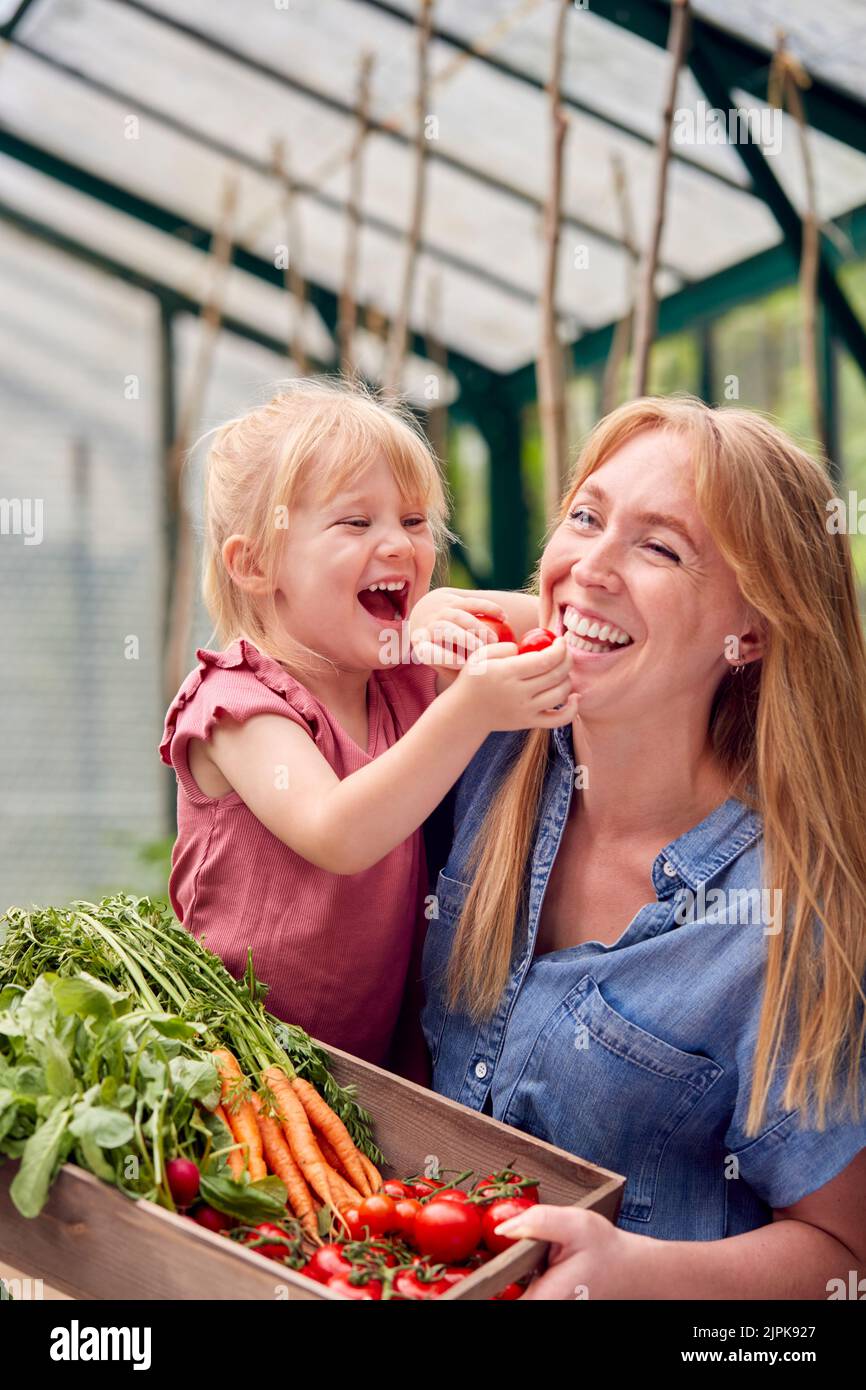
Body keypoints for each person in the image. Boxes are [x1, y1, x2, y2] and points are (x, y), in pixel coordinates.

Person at [416, 395, 866, 1297]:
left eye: (659, 548)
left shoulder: (784, 918)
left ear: (751, 631)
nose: (592, 565)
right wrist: (429, 608)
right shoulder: (483, 746)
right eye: (584, 518)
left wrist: (634, 1272)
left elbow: (843, 1259)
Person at [159, 377, 575, 1079]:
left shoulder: (402, 676)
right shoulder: (235, 702)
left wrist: (453, 604)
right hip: (235, 1069)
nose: (398, 546)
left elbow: (564, 621)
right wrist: (469, 706)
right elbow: (337, 832)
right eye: (356, 523)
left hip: (369, 1077)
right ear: (256, 564)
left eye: (414, 523)